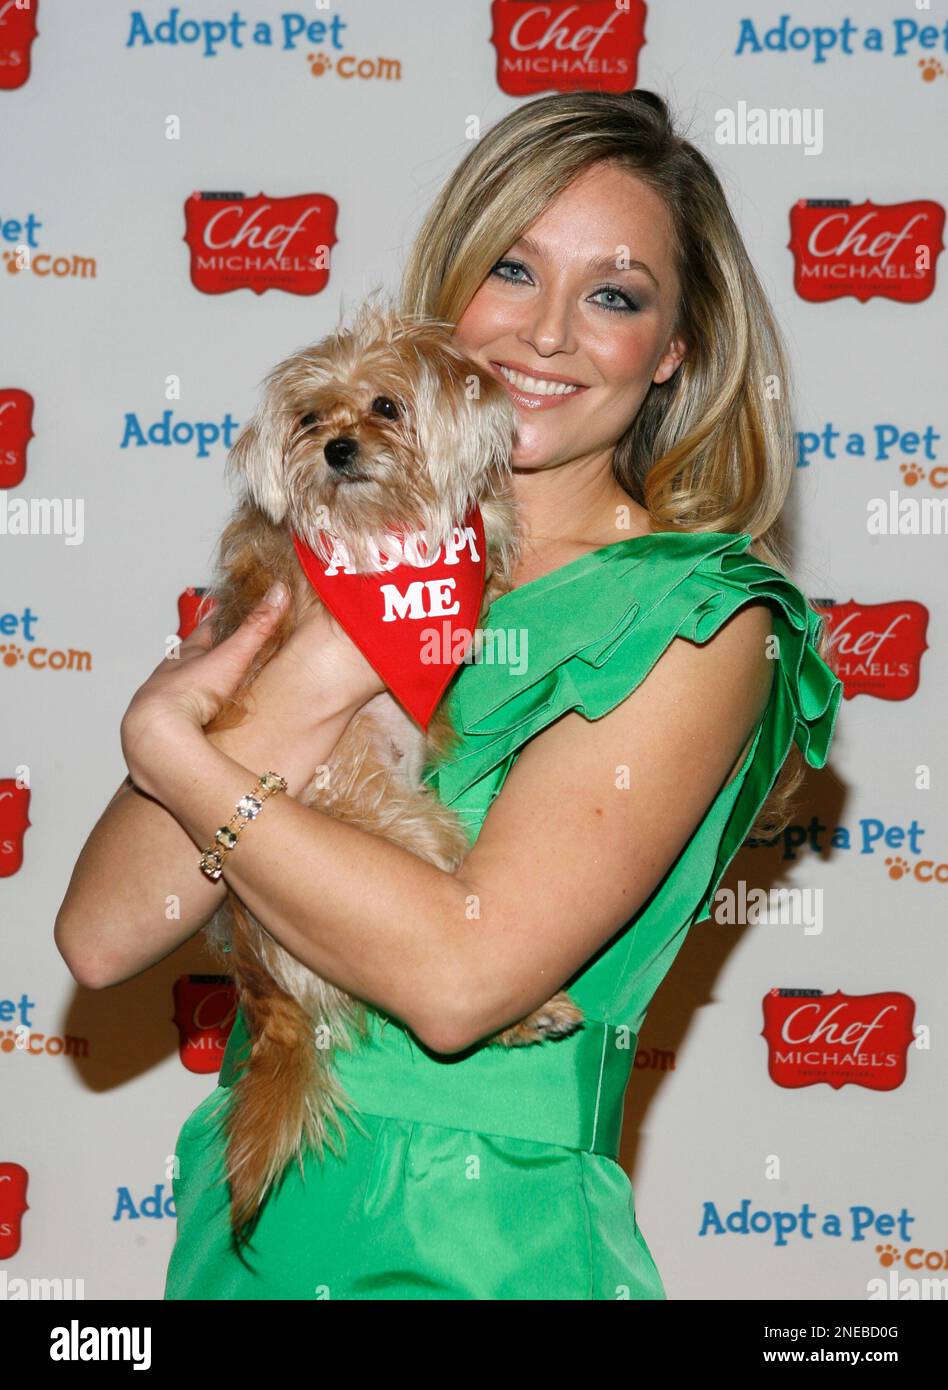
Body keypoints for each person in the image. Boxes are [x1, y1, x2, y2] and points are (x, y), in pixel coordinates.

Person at [55, 89, 843, 1300]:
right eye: (514, 272)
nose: (546, 335)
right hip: (258, 1226)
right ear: (451, 293)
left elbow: (462, 983)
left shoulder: (696, 615)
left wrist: (177, 746)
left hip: (480, 1250)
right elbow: (104, 933)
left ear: (674, 351)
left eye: (617, 295)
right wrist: (326, 665)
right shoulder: (327, 538)